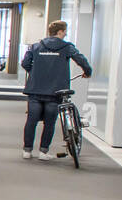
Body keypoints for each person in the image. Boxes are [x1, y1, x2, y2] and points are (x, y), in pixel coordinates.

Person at [20, 19, 91, 160]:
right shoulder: (67, 47)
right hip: (55, 91)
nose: (65, 34)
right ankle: (43, 152)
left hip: (35, 90)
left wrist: (35, 73)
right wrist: (87, 72)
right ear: (60, 31)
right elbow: (81, 60)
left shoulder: (35, 46)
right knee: (50, 122)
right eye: (65, 31)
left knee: (31, 120)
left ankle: (27, 151)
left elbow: (25, 63)